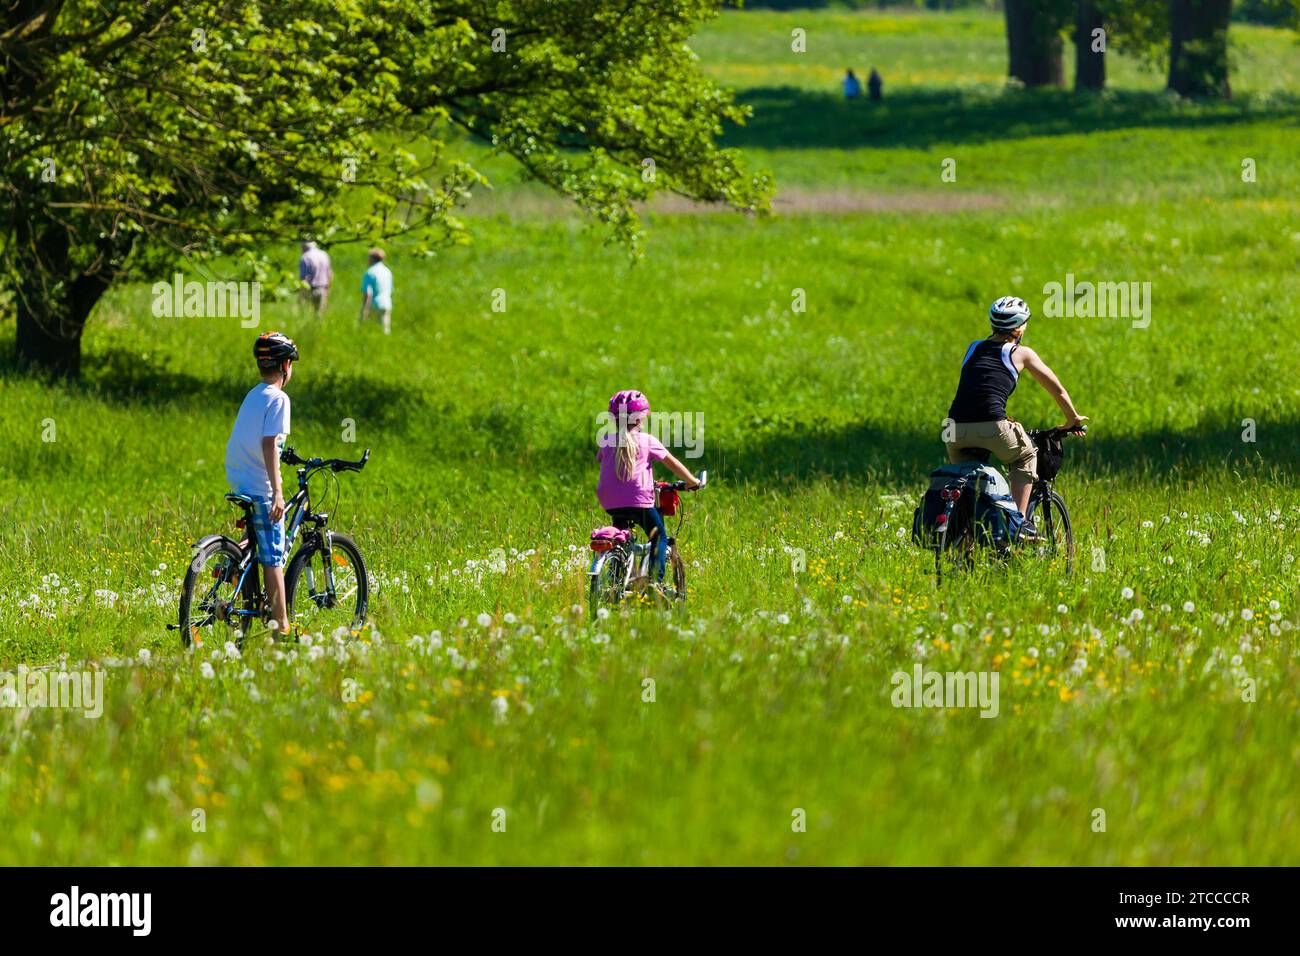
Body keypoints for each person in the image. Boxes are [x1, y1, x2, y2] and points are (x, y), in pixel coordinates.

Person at [944, 297, 1087, 537]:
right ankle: (1016, 526)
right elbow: (1058, 390)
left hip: (953, 429)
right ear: (1019, 328)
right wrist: (1073, 419)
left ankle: (967, 544)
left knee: (967, 485)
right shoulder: (1021, 353)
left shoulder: (973, 347)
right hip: (993, 426)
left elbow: (978, 389)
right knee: (1025, 455)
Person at [225, 331, 299, 636]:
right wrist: (278, 492)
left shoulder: (254, 394)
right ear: (284, 367)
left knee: (257, 540)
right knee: (273, 557)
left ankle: (234, 562)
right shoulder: (279, 398)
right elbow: (270, 445)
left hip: (239, 475)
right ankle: (281, 626)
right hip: (259, 484)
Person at [596, 390, 701, 585]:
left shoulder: (606, 441)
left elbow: (602, 461)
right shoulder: (647, 441)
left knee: (621, 538)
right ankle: (654, 583)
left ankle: (616, 582)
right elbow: (673, 464)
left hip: (610, 501)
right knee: (659, 538)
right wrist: (693, 481)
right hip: (639, 501)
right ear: (640, 419)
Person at [359, 247, 393, 334]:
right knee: (384, 331)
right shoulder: (387, 271)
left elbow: (368, 293)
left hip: (374, 305)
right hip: (386, 304)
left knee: (372, 332)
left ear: (372, 258)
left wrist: (364, 310)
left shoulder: (370, 272)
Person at [298, 240, 332, 315]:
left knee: (306, 314)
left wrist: (302, 295)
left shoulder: (305, 257)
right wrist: (328, 289)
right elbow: (329, 274)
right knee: (319, 315)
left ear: (303, 247)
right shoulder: (324, 254)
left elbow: (303, 279)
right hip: (323, 288)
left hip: (310, 290)